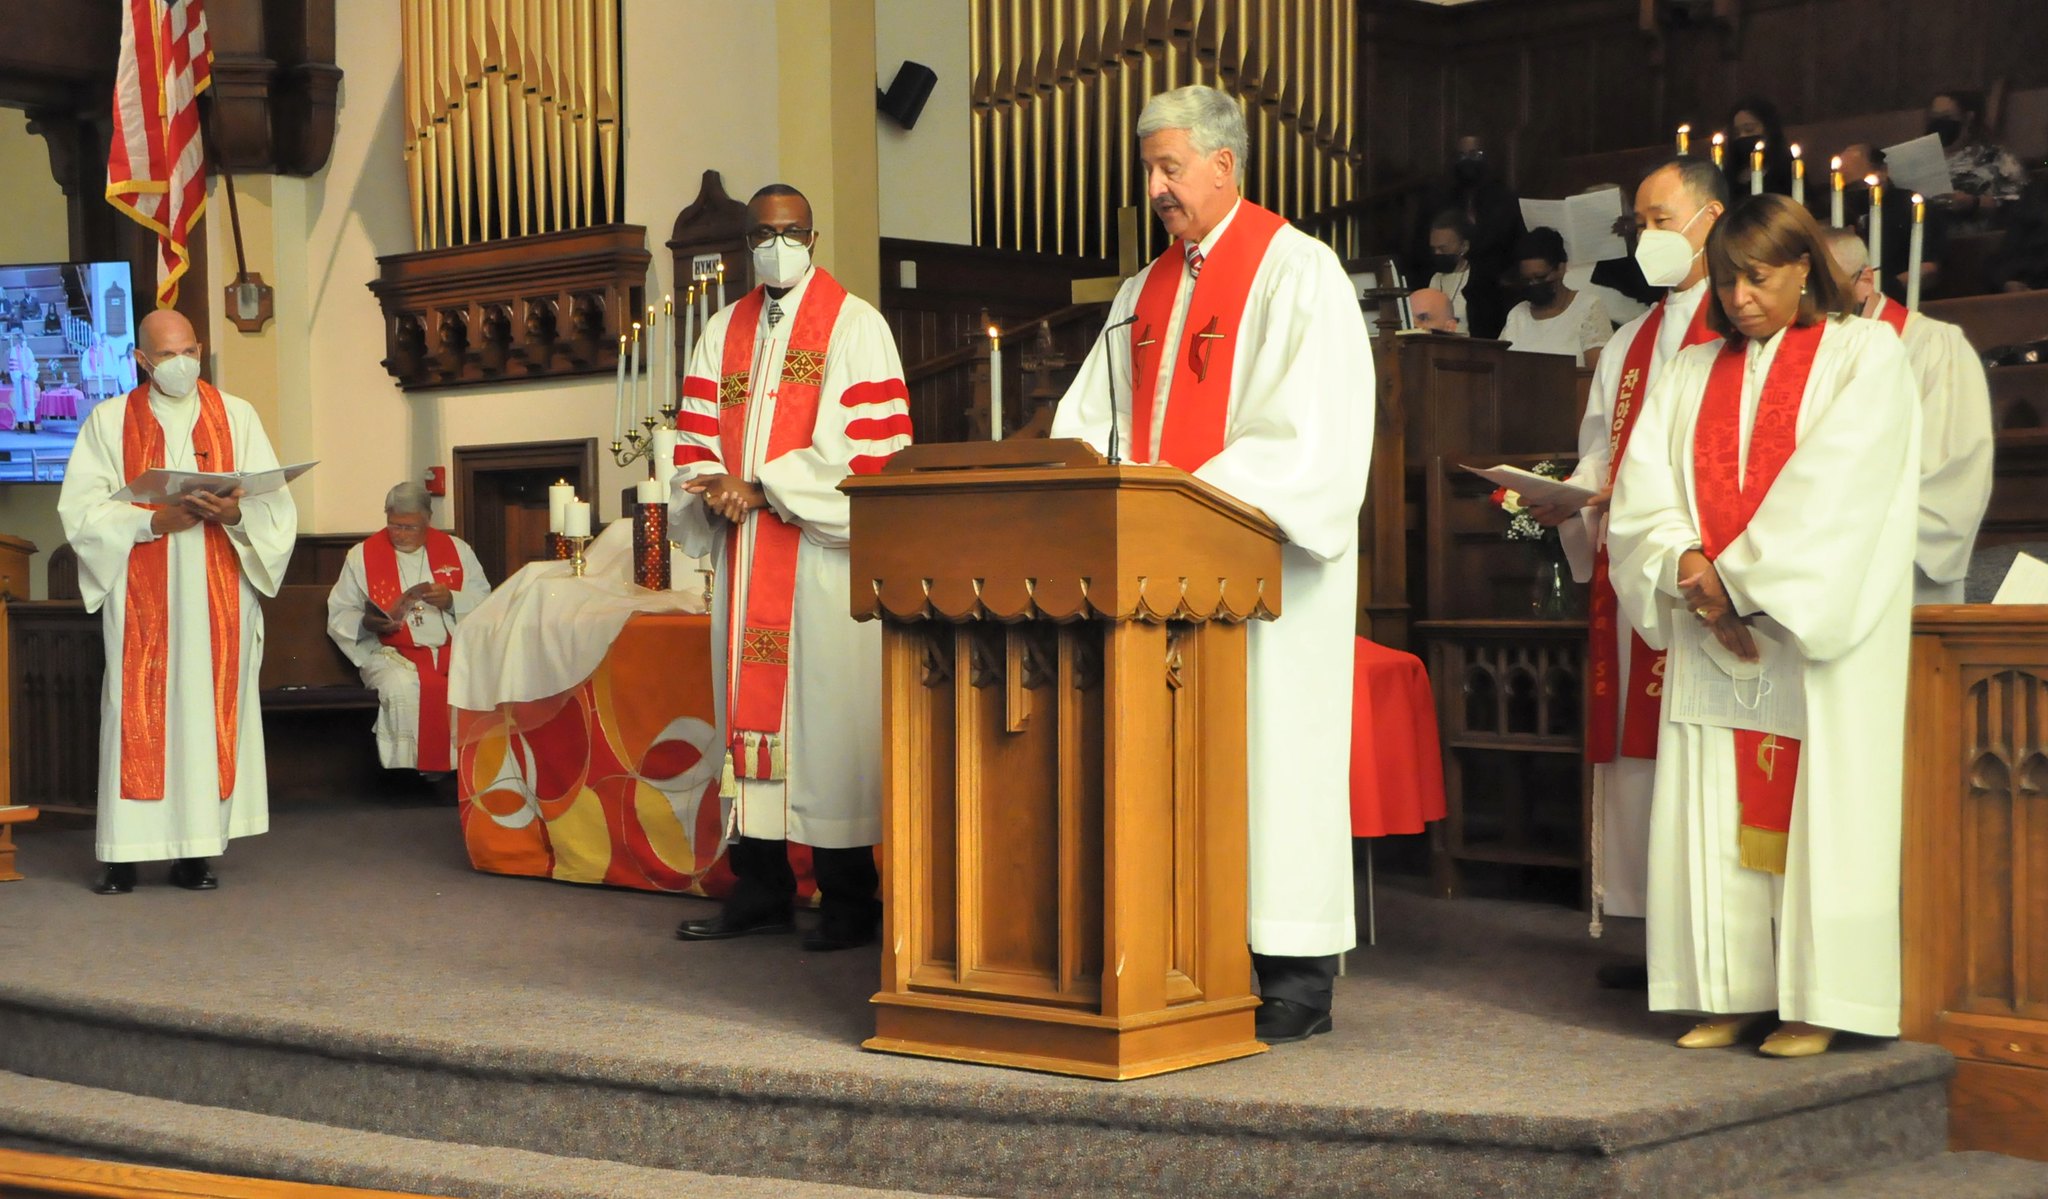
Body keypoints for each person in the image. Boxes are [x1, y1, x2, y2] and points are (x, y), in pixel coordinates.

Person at [1051, 85, 1373, 1045]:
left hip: (1258, 572)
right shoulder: (1141, 292)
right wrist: (1093, 482)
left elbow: (1306, 434)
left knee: (1271, 759)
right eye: (1148, 168)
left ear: (1226, 165)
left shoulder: (1296, 271)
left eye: (1170, 167)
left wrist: (1179, 499)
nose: (1154, 187)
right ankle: (1184, 950)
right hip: (1155, 577)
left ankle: (1293, 973)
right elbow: (1089, 422)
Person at [1607, 194, 1919, 1057]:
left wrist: (1737, 583)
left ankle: (1820, 995)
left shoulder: (1864, 354)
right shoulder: (1689, 372)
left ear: (1804, 268)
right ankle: (1729, 985)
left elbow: (1843, 484)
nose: (1741, 296)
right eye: (1727, 279)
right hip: (1720, 631)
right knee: (1715, 800)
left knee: (1822, 806)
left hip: (1810, 631)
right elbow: (1643, 495)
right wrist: (1686, 570)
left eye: (1759, 276)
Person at [669, 183, 913, 954]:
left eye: (792, 231)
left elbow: (873, 452)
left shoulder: (856, 327)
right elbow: (695, 437)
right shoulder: (722, 331)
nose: (778, 245)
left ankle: (848, 898)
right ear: (747, 243)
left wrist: (766, 485)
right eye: (764, 235)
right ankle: (762, 887)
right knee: (750, 727)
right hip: (747, 567)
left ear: (814, 235)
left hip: (818, 563)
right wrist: (710, 488)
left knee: (829, 729)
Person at [1533, 156, 1726, 980]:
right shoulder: (1627, 346)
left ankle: (1715, 934)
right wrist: (1562, 500)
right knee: (1642, 755)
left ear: (1711, 216)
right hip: (1638, 571)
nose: (1648, 238)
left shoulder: (1748, 323)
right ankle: (1655, 936)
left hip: (1710, 570)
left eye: (1661, 220)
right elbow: (1601, 455)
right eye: (1638, 224)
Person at [57, 308, 297, 894]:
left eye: (189, 350)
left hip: (219, 593)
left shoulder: (236, 416)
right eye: (167, 355)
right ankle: (122, 855)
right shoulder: (109, 421)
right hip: (145, 589)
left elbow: (274, 503)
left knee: (205, 715)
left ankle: (196, 852)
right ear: (141, 360)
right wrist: (150, 522)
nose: (181, 363)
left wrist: (236, 512)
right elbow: (80, 511)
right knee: (136, 714)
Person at [1823, 227, 1994, 605]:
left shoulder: (1933, 347)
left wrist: (1850, 533)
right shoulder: (1809, 352)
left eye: (1825, 285)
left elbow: (1954, 474)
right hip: (1818, 576)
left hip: (1898, 576)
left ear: (1864, 280)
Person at [325, 481, 492, 779]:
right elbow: (340, 611)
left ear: (428, 520)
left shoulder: (457, 551)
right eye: (394, 525)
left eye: (410, 527)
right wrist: (368, 622)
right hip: (388, 652)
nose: (400, 534)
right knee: (402, 685)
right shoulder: (362, 555)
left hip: (451, 650)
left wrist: (453, 600)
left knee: (472, 679)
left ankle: (465, 771)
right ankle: (405, 775)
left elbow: (486, 602)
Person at [1413, 136, 1522, 339]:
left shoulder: (1503, 199)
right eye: (1462, 155)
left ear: (1464, 246)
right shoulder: (1441, 198)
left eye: (1475, 155)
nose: (1468, 161)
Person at [1838, 144, 1947, 305]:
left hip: (1903, 303)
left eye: (1859, 185)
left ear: (1882, 172)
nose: (1854, 194)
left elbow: (1929, 269)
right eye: (1846, 189)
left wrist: (1883, 289)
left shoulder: (1914, 209)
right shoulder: (1839, 212)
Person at [1499, 227, 1614, 367]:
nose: (1533, 284)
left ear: (1561, 268)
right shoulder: (1517, 314)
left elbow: (1597, 375)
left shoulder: (1588, 307)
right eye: (1526, 280)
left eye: (1540, 277)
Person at [1928, 88, 2026, 235]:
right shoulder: (1925, 159)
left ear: (1968, 118)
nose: (1939, 123)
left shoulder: (1997, 158)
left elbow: (2019, 204)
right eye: (1935, 117)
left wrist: (1973, 203)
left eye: (1946, 117)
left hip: (1976, 244)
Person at [1722, 97, 1795, 200]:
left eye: (1749, 129)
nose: (1742, 136)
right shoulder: (1731, 172)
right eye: (1736, 133)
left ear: (1768, 130)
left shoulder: (1788, 167)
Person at [1423, 210, 1477, 334]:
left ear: (1464, 246)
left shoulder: (1474, 278)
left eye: (1442, 248)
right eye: (1434, 249)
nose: (1437, 254)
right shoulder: (1436, 278)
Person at [8, 331, 38, 432]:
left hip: (28, 380)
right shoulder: (14, 350)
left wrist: (29, 373)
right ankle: (20, 424)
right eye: (21, 340)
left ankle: (31, 425)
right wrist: (19, 374)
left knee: (30, 403)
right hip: (20, 380)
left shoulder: (28, 351)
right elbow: (13, 366)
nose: (23, 342)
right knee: (20, 402)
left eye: (24, 340)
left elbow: (33, 364)